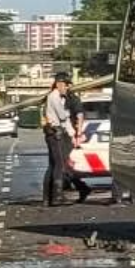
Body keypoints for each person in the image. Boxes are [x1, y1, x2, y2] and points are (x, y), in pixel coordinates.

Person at [41, 72, 75, 207]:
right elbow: (62, 116)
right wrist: (72, 131)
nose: (66, 88)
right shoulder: (54, 97)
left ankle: (47, 198)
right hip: (55, 133)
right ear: (59, 84)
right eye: (66, 85)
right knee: (59, 165)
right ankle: (57, 197)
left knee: (53, 165)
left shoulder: (55, 96)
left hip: (53, 133)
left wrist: (71, 132)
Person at [61, 75, 91, 203]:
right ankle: (75, 186)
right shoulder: (57, 98)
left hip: (70, 136)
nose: (60, 87)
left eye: (62, 84)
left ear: (68, 86)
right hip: (61, 135)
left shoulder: (73, 99)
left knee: (65, 164)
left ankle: (82, 187)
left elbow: (79, 116)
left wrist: (78, 134)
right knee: (62, 165)